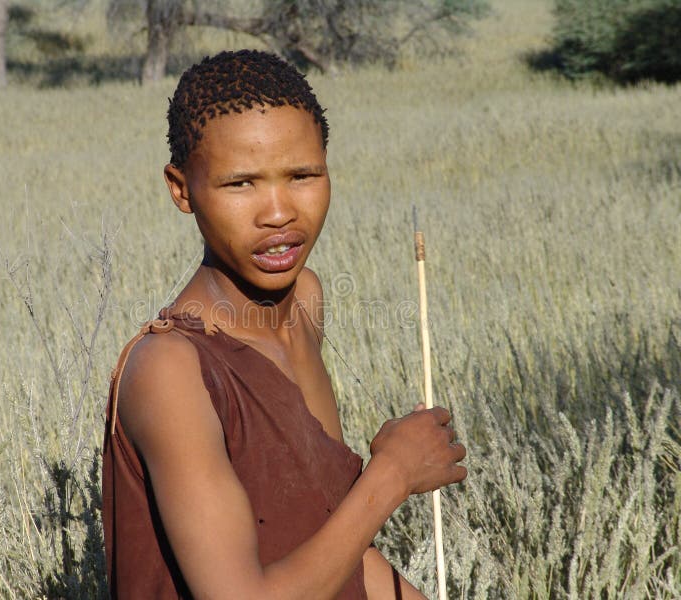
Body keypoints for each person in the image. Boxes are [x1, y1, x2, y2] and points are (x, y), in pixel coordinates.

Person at [102, 49, 467, 599]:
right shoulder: (171, 369)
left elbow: (326, 534)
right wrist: (391, 475)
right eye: (240, 184)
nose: (278, 211)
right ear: (181, 189)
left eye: (301, 175)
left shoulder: (305, 305)